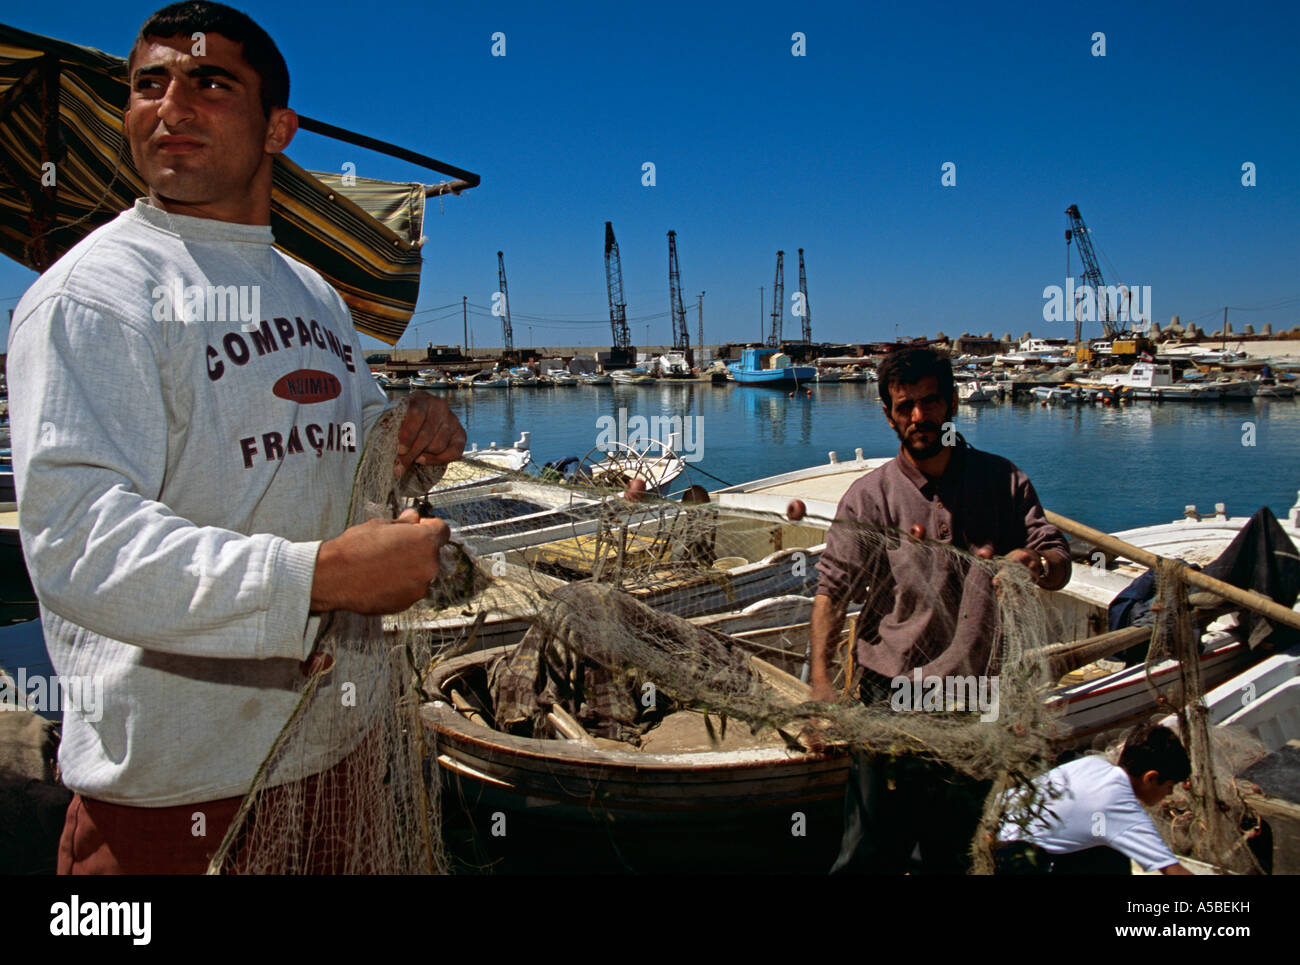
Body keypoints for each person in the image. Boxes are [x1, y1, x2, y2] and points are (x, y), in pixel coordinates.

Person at [7, 1, 466, 873]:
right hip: (175, 793)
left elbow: (351, 446)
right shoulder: (93, 296)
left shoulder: (314, 292)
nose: (170, 105)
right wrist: (316, 577)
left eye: (210, 82)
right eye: (149, 84)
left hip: (336, 755)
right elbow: (77, 543)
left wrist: (406, 433)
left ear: (278, 129)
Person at [808, 345, 1071, 873]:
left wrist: (1033, 565)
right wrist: (820, 685)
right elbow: (833, 592)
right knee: (867, 849)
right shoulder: (870, 498)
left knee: (952, 848)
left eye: (930, 402)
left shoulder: (1004, 482)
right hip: (889, 694)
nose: (919, 418)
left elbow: (1059, 560)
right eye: (905, 407)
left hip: (973, 697)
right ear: (888, 415)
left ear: (952, 403)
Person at [995, 724, 1193, 874]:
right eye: (1169, 787)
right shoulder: (1122, 810)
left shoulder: (1092, 763)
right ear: (1150, 778)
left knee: (1111, 849)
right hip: (1017, 862)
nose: (1169, 794)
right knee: (1115, 858)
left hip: (996, 832)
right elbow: (1172, 870)